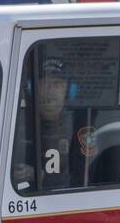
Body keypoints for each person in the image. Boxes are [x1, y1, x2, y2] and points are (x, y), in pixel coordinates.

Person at [12, 56, 88, 192]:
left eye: (57, 84)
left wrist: (40, 176)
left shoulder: (80, 129)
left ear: (69, 90)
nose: (49, 92)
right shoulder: (16, 126)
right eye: (42, 84)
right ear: (31, 89)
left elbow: (83, 183)